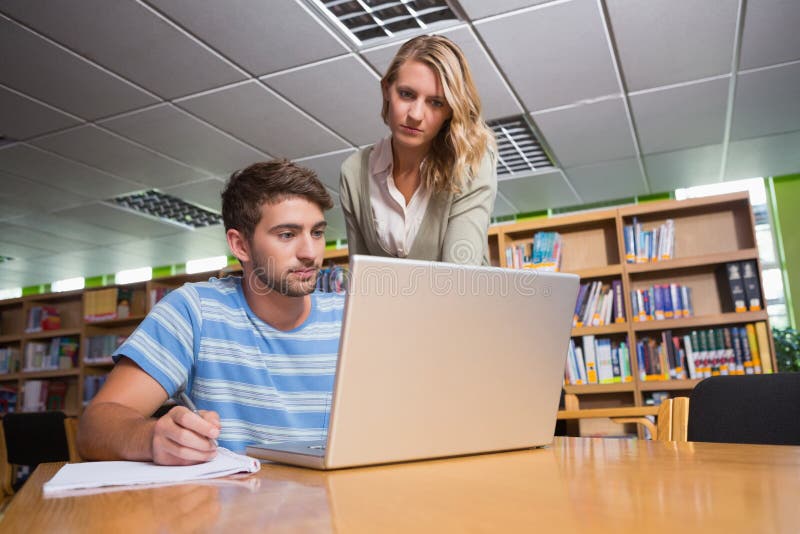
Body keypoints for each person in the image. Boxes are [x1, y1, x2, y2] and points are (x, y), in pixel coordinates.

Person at [77, 160, 344, 465]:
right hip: (234, 507)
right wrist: (151, 438)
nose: (310, 252)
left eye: (318, 232)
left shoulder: (350, 317)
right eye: (287, 234)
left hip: (339, 504)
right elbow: (94, 426)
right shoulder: (193, 310)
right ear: (240, 245)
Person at [339, 34, 497, 265]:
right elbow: (363, 279)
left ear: (451, 111)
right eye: (406, 94)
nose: (415, 115)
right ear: (386, 89)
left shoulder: (471, 162)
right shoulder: (353, 173)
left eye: (436, 102)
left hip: (463, 299)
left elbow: (461, 278)